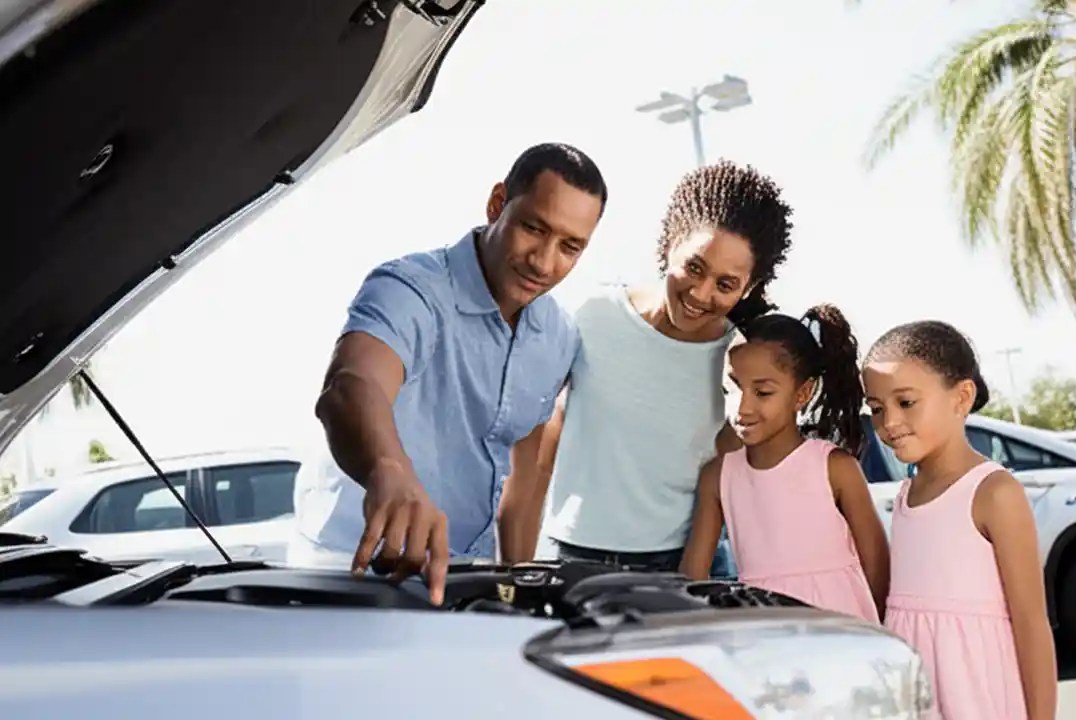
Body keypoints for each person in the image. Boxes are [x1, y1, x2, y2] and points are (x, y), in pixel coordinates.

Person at [288, 143, 608, 604]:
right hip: (349, 573)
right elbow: (351, 386)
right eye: (533, 228)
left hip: (462, 582)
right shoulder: (409, 289)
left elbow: (524, 481)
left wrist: (519, 588)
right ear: (497, 204)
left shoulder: (559, 336)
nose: (543, 261)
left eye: (569, 247)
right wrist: (388, 470)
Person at [499, 159, 794, 573]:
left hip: (680, 566)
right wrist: (515, 571)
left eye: (725, 284)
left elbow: (728, 486)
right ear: (671, 243)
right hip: (570, 557)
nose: (700, 293)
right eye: (694, 267)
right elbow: (536, 456)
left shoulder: (739, 362)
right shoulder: (594, 316)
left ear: (750, 287)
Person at [862, 320, 1057, 720]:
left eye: (906, 402)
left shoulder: (993, 492)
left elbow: (1032, 623)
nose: (889, 422)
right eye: (877, 409)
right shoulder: (906, 494)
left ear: (961, 397)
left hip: (976, 697)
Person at [679, 304, 889, 622]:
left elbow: (876, 563)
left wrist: (876, 634)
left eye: (762, 392)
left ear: (802, 393)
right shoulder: (718, 476)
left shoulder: (834, 467)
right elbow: (693, 577)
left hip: (840, 628)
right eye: (732, 388)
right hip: (766, 630)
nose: (742, 407)